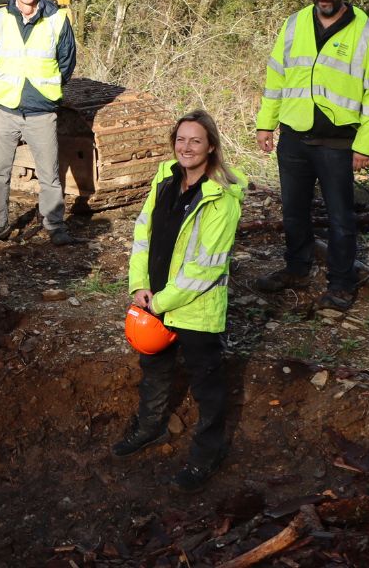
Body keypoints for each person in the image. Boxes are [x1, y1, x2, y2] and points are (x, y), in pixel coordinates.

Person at [250, 0, 369, 313]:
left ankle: (341, 284)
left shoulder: (363, 32)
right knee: (294, 211)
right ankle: (297, 269)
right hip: (294, 135)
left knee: (341, 218)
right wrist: (266, 125)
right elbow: (275, 78)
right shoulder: (294, 24)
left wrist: (366, 145)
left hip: (338, 142)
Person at [111, 110, 243, 492]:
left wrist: (162, 301)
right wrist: (140, 285)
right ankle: (150, 428)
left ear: (211, 147)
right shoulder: (165, 179)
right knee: (153, 368)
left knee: (207, 383)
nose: (186, 147)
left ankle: (207, 453)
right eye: (181, 140)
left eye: (195, 141)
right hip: (153, 297)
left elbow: (206, 268)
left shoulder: (221, 199)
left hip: (194, 308)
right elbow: (143, 233)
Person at [0, 0, 82, 245]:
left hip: (41, 110)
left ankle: (55, 226)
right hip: (6, 108)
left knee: (49, 174)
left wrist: (44, 89)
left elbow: (66, 63)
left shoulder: (57, 19)